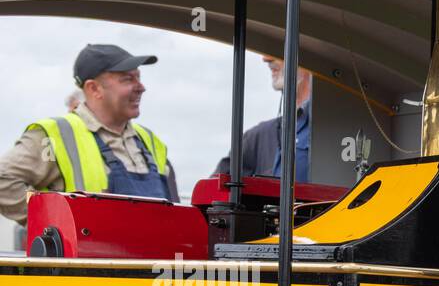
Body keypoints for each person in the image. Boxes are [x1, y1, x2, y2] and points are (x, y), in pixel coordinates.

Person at [0, 44, 178, 225]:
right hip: (88, 254)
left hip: (155, 254)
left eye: (138, 78)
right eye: (127, 79)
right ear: (94, 89)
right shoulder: (55, 135)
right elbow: (3, 181)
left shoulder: (150, 140)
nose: (141, 87)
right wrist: (54, 221)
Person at [214, 55, 312, 182]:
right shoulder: (258, 137)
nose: (266, 59)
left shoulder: (337, 131)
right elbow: (213, 191)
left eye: (279, 48)